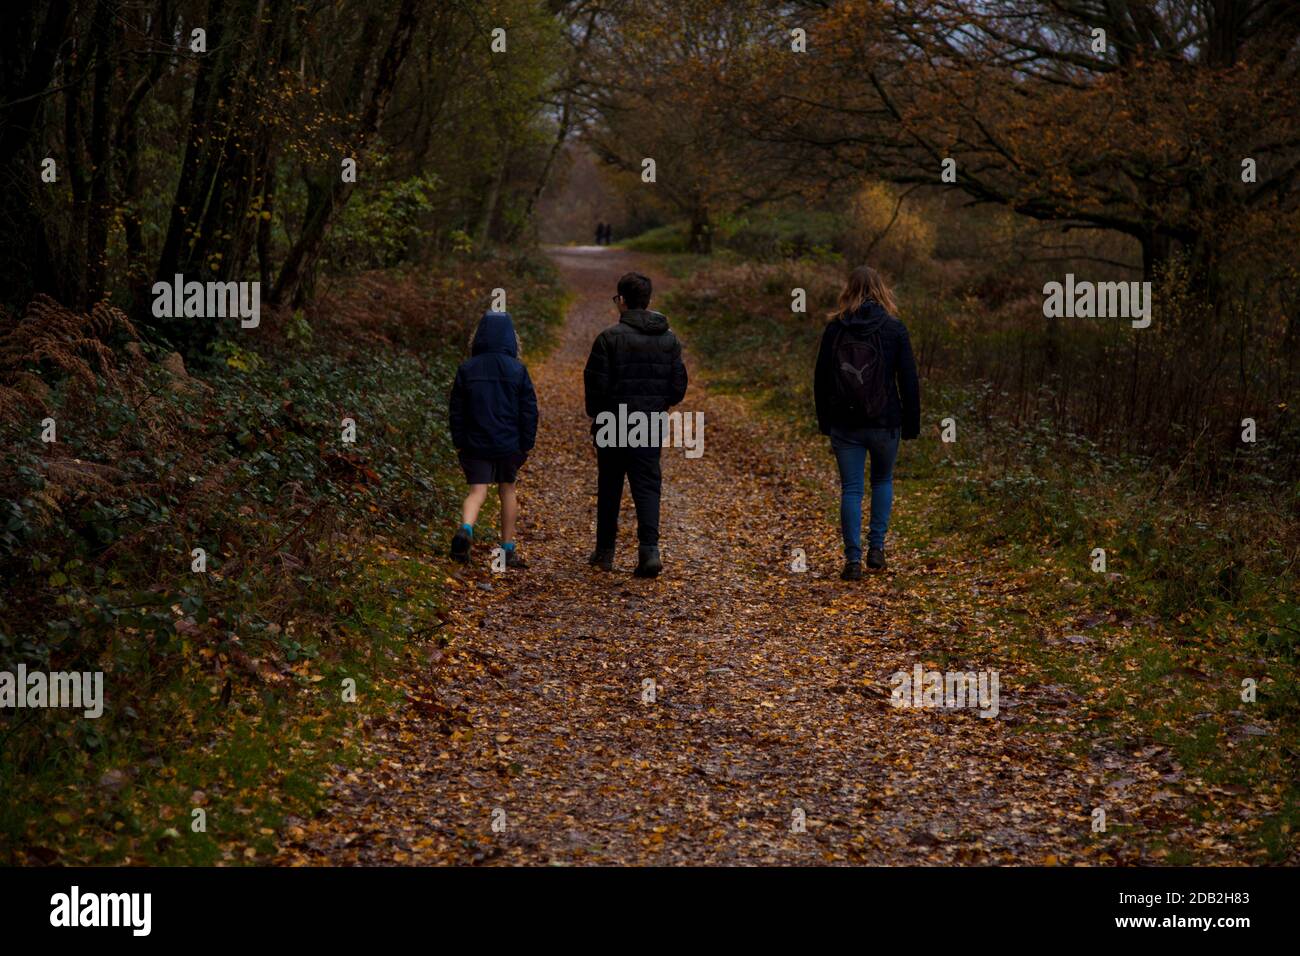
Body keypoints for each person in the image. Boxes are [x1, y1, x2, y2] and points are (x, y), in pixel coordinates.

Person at [814, 265, 920, 580]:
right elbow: (909, 380)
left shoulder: (835, 329)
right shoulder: (894, 329)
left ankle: (852, 561)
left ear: (849, 289)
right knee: (882, 482)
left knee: (851, 489)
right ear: (881, 289)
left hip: (845, 424)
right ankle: (877, 548)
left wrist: (825, 421)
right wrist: (911, 423)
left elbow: (821, 379)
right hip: (886, 421)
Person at [583, 271, 688, 577]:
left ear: (623, 301)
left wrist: (599, 417)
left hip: (612, 421)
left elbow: (595, 387)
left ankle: (604, 553)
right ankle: (649, 551)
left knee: (610, 486)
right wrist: (660, 405)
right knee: (647, 486)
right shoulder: (669, 340)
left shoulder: (608, 338)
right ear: (648, 301)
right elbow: (678, 386)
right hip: (649, 422)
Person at [448, 310, 539, 568]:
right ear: (511, 340)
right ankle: (508, 549)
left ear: (479, 338)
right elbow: (529, 410)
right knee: (507, 489)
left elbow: (457, 409)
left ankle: (466, 528)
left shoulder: (467, 369)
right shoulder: (518, 370)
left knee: (477, 492)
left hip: (475, 442)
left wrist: (460, 440)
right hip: (509, 443)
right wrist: (526, 443)